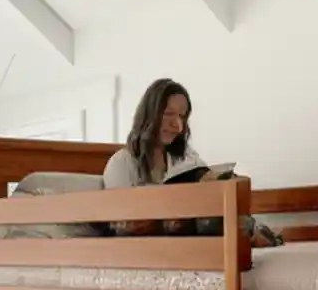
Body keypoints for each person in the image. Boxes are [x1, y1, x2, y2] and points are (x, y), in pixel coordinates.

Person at [102, 79, 281, 246]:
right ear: (149, 115)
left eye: (182, 116)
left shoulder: (187, 157)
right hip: (160, 243)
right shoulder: (121, 163)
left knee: (227, 186)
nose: (178, 126)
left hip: (195, 235)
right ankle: (250, 233)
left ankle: (251, 231)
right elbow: (122, 227)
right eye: (168, 114)